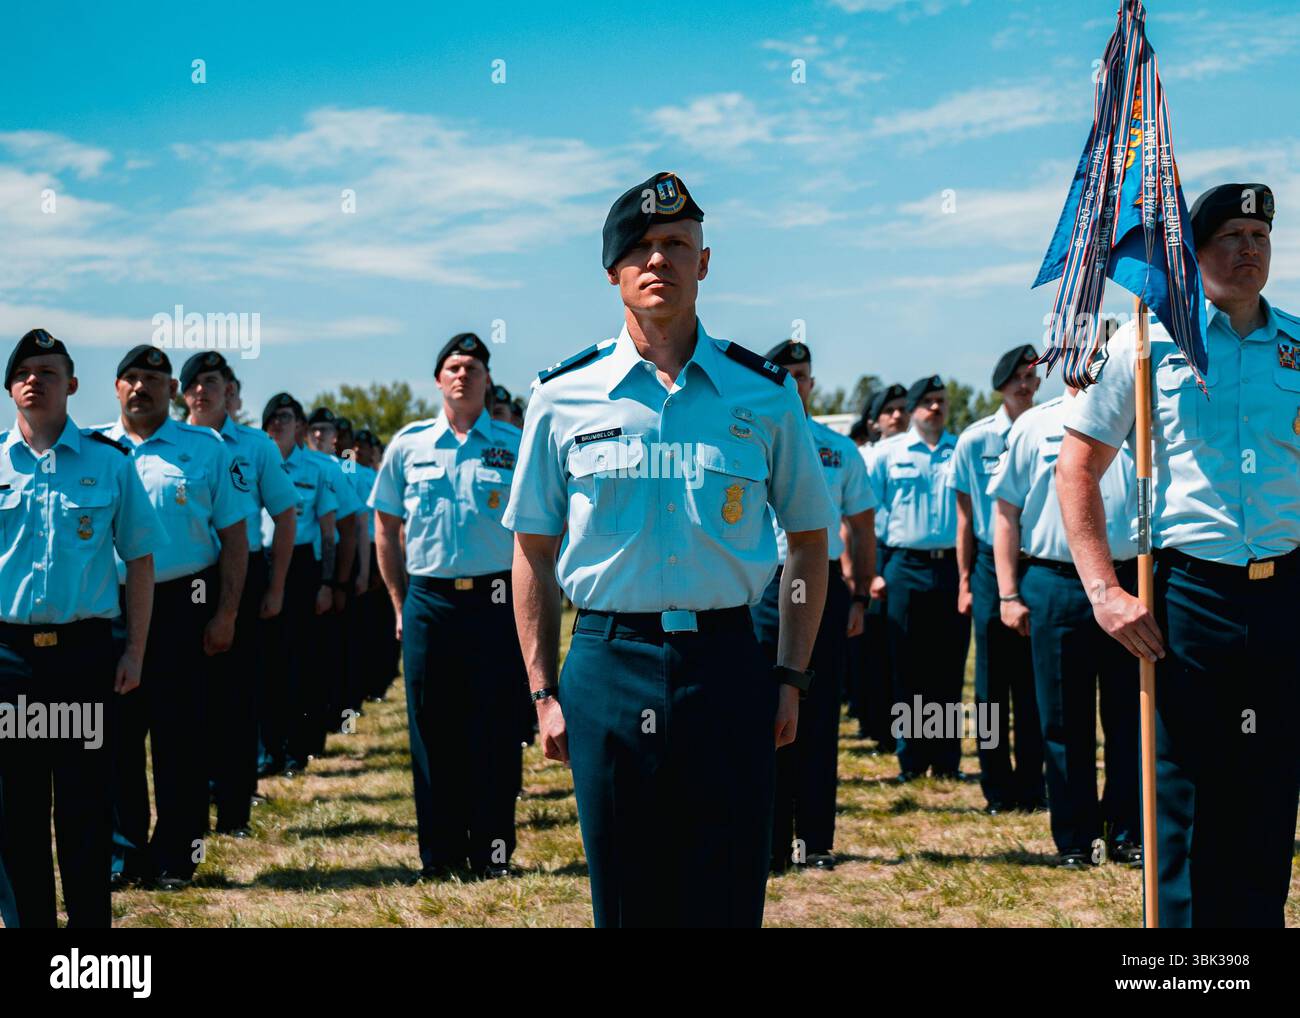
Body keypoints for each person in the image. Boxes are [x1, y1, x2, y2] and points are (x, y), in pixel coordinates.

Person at [504, 172, 837, 927]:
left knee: (725, 897)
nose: (659, 260)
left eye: (677, 245)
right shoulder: (562, 395)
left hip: (727, 666)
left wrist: (790, 674)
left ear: (705, 261)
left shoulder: (763, 393)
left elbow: (811, 542)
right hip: (607, 666)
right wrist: (542, 691)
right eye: (641, 248)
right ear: (613, 270)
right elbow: (532, 548)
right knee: (626, 900)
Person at [1057, 182, 1299, 927]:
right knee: (1186, 793)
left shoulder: (1296, 344)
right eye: (1229, 235)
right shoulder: (1146, 339)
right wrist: (1104, 591)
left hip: (1283, 592)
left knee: (1267, 793)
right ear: (1191, 254)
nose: (1248, 248)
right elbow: (1077, 467)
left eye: (1259, 235)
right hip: (1190, 597)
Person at [0, 329, 164, 927]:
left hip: (83, 656)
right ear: (10, 387)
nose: (34, 380)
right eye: (23, 371)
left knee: (85, 806)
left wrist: (135, 653)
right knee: (17, 808)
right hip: (10, 659)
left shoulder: (109, 463)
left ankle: (90, 940)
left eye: (48, 371)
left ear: (71, 384)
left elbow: (141, 561)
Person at [371, 332, 527, 880]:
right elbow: (386, 528)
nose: (462, 376)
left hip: (495, 601)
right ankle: (440, 855)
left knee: (496, 727)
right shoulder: (408, 446)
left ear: (487, 381)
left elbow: (536, 530)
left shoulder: (514, 444)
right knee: (432, 731)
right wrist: (399, 602)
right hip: (429, 602)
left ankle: (493, 852)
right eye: (453, 367)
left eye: (474, 368)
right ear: (438, 380)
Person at [101, 345, 250, 890]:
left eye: (153, 378)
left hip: (185, 605)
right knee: (116, 736)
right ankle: (123, 855)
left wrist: (226, 614)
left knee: (180, 737)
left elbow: (235, 539)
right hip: (110, 608)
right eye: (131, 378)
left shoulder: (205, 448)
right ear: (116, 388)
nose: (141, 387)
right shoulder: (95, 450)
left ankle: (177, 858)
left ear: (172, 390)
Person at [990, 383, 1140, 868]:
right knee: (1062, 716)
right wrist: (1009, 592)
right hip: (1057, 583)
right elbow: (1006, 512)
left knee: (1131, 714)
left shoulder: (1143, 414)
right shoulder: (1035, 424)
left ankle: (1128, 831)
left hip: (1132, 580)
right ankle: (1076, 838)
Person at [751, 339, 876, 873]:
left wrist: (863, 594)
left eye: (801, 374)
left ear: (811, 383)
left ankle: (816, 840)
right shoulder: (747, 441)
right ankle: (770, 841)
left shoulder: (837, 450)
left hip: (822, 584)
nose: (794, 383)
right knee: (763, 714)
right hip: (763, 588)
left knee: (818, 714)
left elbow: (862, 526)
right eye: (783, 373)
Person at [181, 351, 298, 836]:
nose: (204, 391)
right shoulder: (169, 445)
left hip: (240, 576)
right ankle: (189, 804)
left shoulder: (255, 446)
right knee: (184, 698)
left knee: (235, 695)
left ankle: (233, 807)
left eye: (214, 381)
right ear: (183, 393)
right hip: (181, 580)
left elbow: (285, 514)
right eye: (195, 383)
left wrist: (275, 586)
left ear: (230, 389)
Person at [949, 345, 1046, 814]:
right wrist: (966, 580)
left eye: (1031, 378)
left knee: (1035, 678)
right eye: (1016, 380)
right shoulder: (975, 440)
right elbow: (965, 520)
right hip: (990, 563)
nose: (1025, 387)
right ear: (1001, 386)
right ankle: (996, 785)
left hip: (1039, 559)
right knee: (990, 683)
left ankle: (1032, 783)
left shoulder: (1053, 427)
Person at [865, 376, 969, 782]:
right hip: (903, 567)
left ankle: (946, 761)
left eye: (940, 401)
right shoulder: (886, 455)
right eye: (926, 402)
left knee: (949, 668)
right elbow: (864, 517)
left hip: (950, 568)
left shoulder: (960, 450)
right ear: (911, 410)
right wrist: (873, 570)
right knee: (907, 667)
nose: (935, 408)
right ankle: (912, 759)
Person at [258, 394, 337, 777]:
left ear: (299, 426)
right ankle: (265, 751)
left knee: (298, 661)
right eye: (271, 417)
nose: (277, 423)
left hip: (304, 567)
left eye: (285, 417)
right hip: (262, 564)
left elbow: (329, 532)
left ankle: (295, 749)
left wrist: (327, 583)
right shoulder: (254, 459)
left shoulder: (317, 468)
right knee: (263, 663)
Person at [303, 407, 363, 751]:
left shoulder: (340, 469)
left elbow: (352, 527)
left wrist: (341, 581)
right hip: (298, 565)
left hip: (331, 564)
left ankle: (335, 717)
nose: (319, 435)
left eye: (325, 430)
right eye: (314, 429)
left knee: (331, 650)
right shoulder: (291, 464)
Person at [853, 384, 908, 749]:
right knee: (875, 648)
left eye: (903, 408)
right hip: (879, 553)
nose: (898, 416)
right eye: (890, 410)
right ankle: (876, 722)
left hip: (901, 556)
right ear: (874, 421)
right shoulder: (870, 458)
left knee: (901, 650)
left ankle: (899, 727)